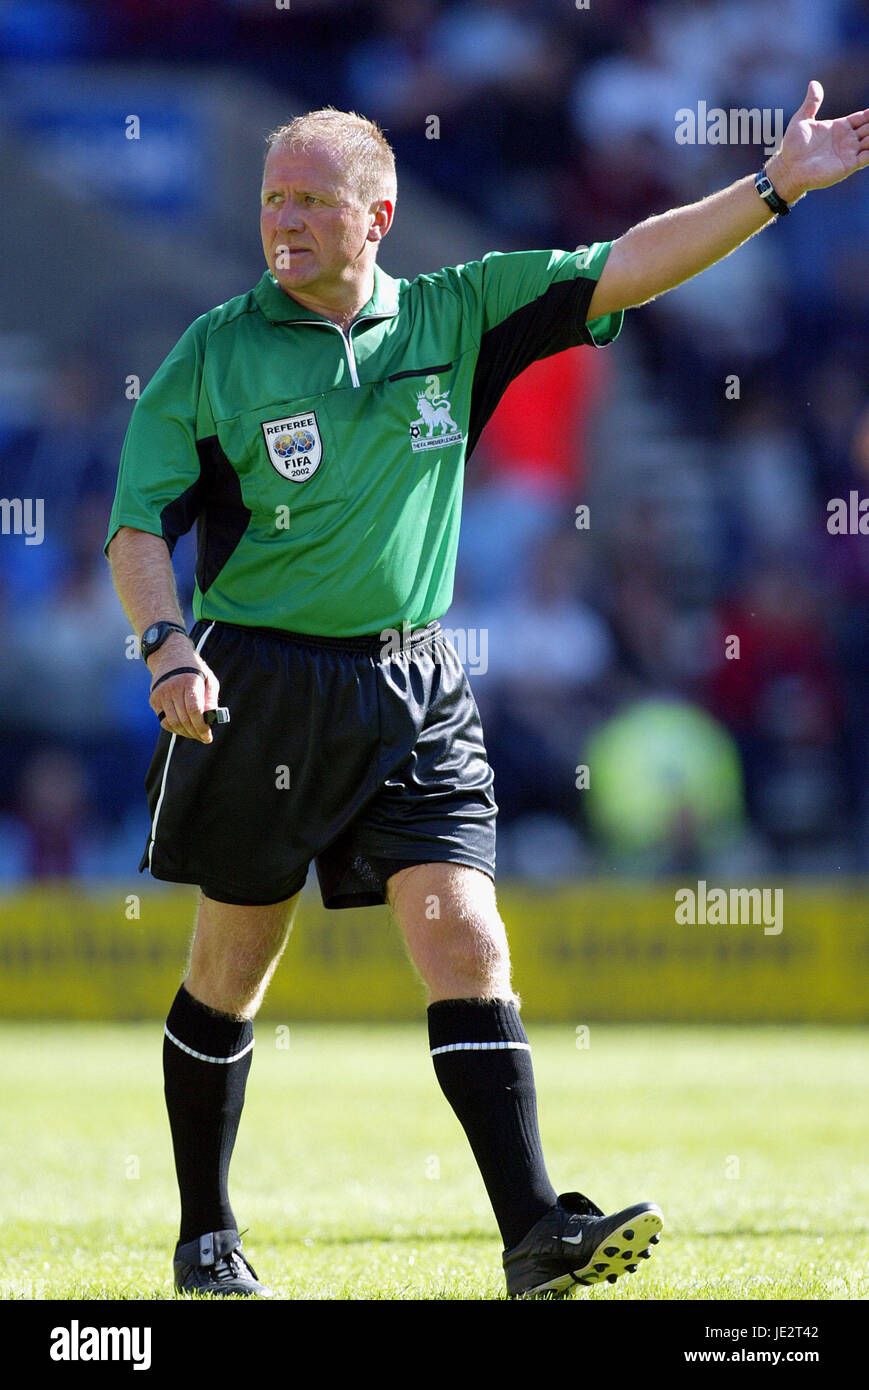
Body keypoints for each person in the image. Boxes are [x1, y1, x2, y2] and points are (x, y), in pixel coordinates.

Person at [105, 88, 869, 1299]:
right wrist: (167, 648)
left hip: (414, 675)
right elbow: (136, 525)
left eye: (310, 200)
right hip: (254, 680)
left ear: (378, 215)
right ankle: (206, 1236)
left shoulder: (461, 313)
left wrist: (773, 187)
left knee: (463, 935)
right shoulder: (213, 350)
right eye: (271, 200)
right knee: (229, 968)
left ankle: (531, 1235)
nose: (283, 222)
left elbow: (630, 264)